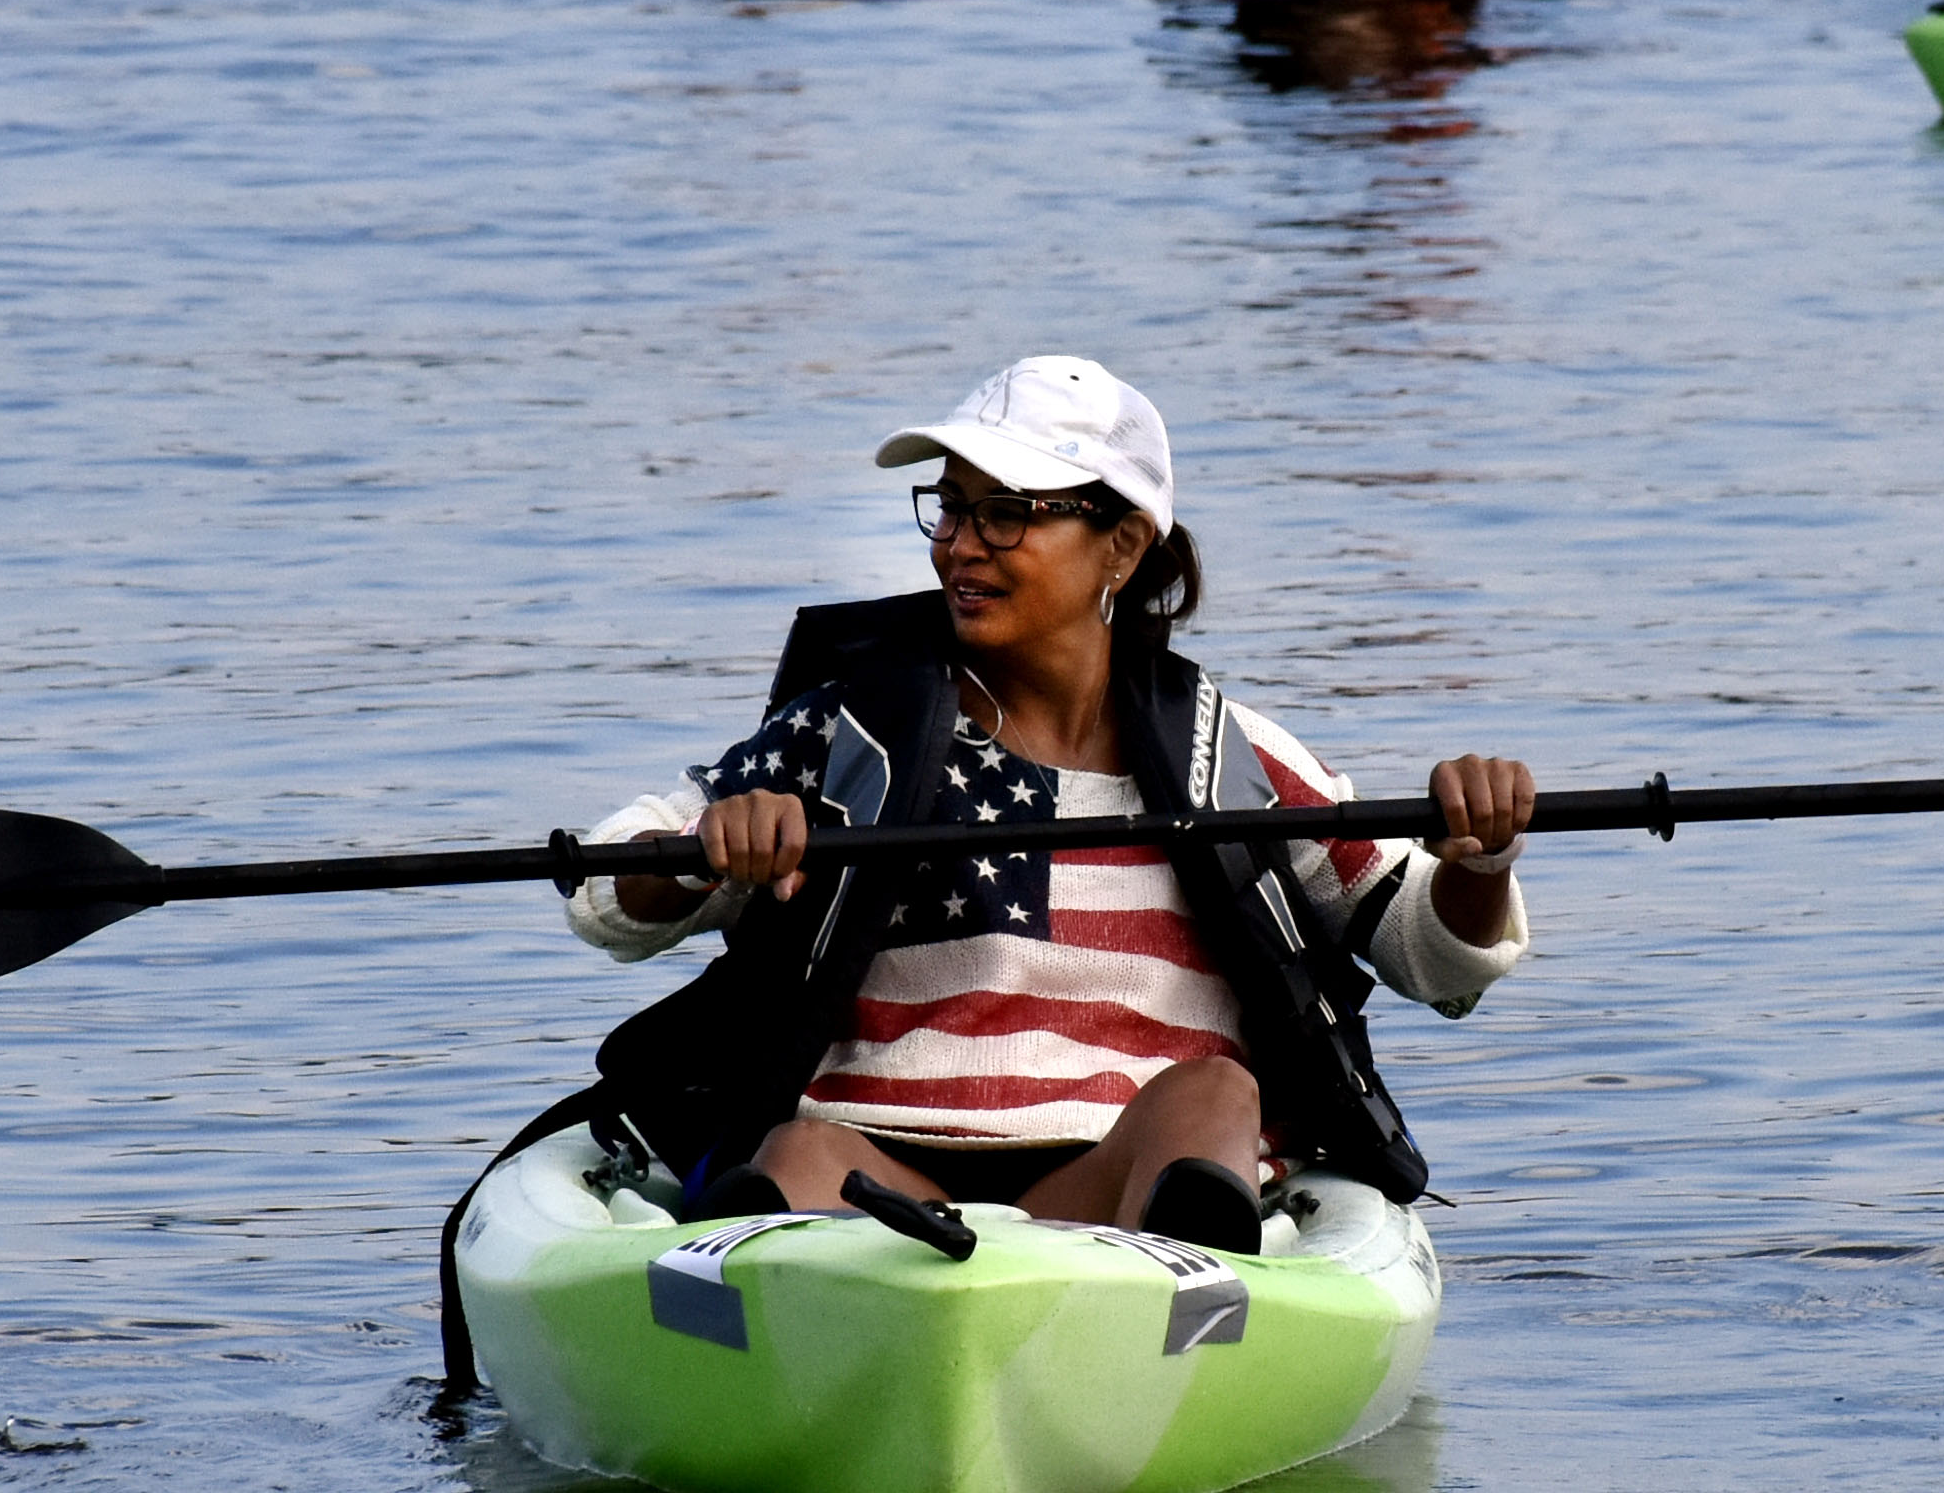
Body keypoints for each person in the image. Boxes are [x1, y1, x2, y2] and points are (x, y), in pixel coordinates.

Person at [563, 356, 1536, 1254]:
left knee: (1213, 1092)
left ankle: (1187, 1302)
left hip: (1124, 1190)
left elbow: (1434, 956)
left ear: (1121, 545)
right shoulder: (843, 736)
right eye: (947, 509)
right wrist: (701, 849)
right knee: (800, 1153)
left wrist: (1478, 860)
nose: (958, 546)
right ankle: (779, 1310)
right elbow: (607, 894)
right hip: (877, 1191)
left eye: (1005, 513)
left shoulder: (1229, 755)